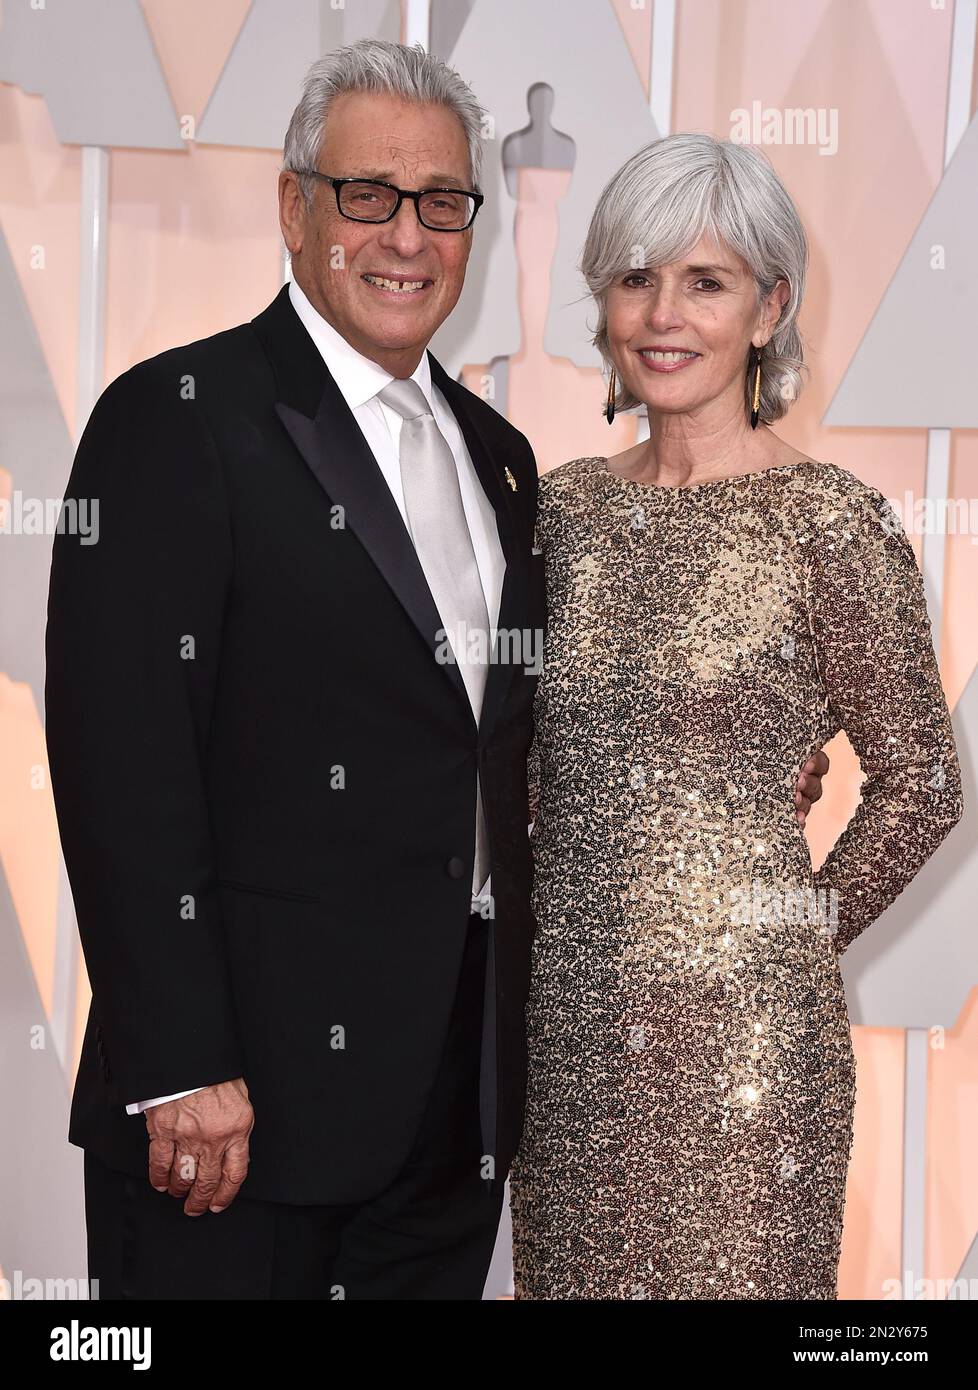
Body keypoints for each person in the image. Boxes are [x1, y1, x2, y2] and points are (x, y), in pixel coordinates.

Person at [45, 43, 826, 1300]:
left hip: (451, 1119)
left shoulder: (504, 462)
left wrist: (723, 773)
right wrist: (180, 1061)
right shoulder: (180, 415)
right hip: (236, 1124)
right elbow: (119, 757)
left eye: (443, 202)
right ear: (295, 207)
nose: (407, 236)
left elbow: (515, 738)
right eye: (368, 194)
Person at [508, 132, 963, 1300]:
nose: (664, 315)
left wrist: (791, 935)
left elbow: (923, 778)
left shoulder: (830, 523)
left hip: (753, 1052)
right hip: (568, 1041)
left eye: (705, 282)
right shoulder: (556, 515)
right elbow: (510, 759)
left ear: (771, 308)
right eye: (636, 277)